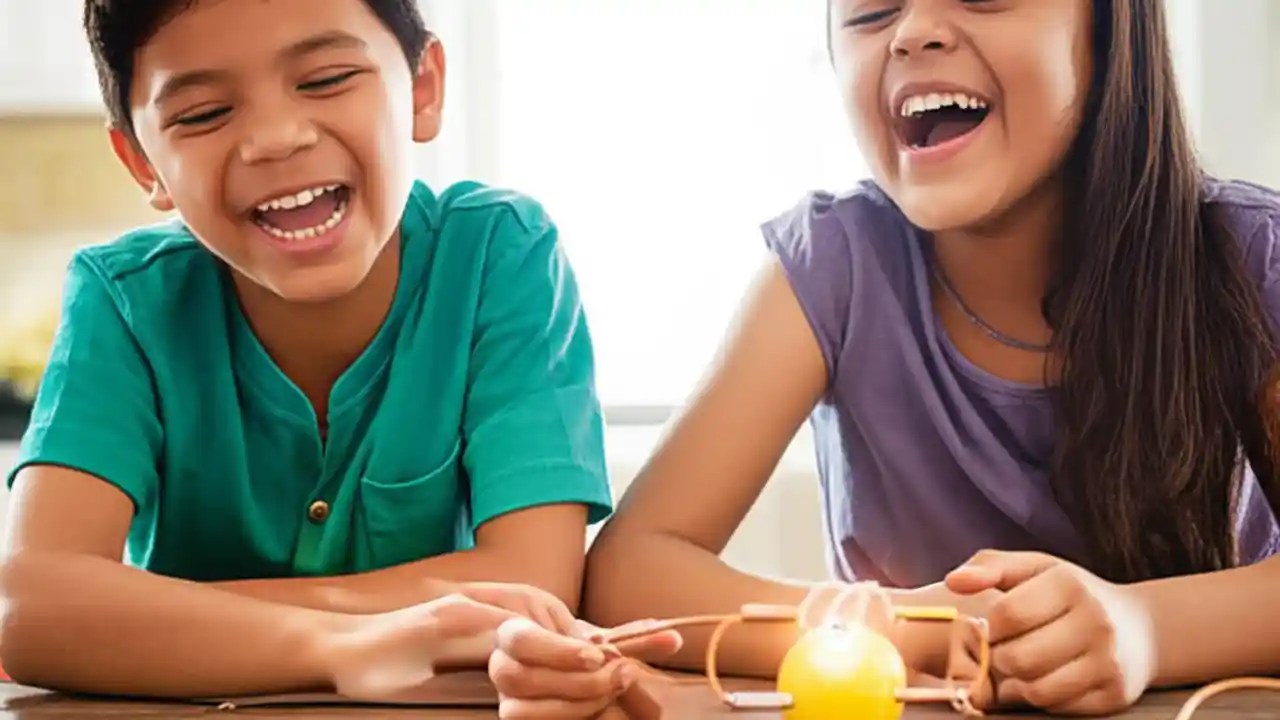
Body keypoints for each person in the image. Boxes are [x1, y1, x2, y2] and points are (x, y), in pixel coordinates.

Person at [489, 0, 1280, 717]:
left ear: (1112, 28)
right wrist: (922, 632)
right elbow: (631, 570)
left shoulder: (1251, 259)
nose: (914, 32)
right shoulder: (835, 265)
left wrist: (1144, 628)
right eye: (871, 12)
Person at [0, 0, 620, 701]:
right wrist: (350, 645)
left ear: (422, 88)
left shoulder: (498, 253)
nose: (274, 137)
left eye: (325, 78)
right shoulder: (125, 301)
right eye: (203, 113)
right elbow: (32, 610)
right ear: (144, 163)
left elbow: (531, 583)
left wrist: (166, 619)